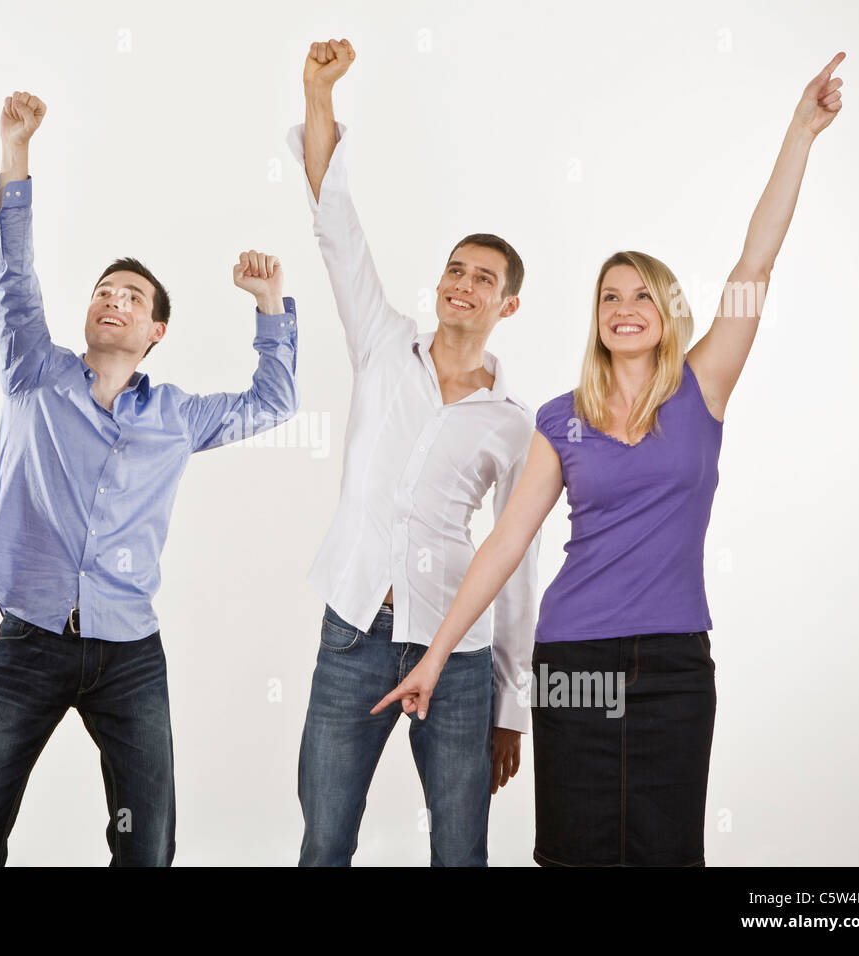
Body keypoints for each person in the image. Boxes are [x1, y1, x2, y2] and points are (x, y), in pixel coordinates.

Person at [373, 54, 848, 866]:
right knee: (574, 852)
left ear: (668, 314)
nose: (624, 310)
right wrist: (437, 653)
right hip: (573, 662)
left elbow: (754, 264)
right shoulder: (561, 418)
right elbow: (506, 544)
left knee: (666, 853)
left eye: (641, 297)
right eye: (609, 297)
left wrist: (800, 133)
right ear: (595, 318)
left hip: (671, 664)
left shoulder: (704, 388)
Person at [0, 91, 300, 867]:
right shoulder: (35, 372)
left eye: (132, 297)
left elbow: (274, 402)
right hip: (31, 639)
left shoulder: (176, 415)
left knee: (148, 848)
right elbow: (14, 274)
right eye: (105, 290)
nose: (114, 300)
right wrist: (15, 153)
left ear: (155, 332)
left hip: (130, 651)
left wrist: (270, 306)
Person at [291, 40, 539, 867]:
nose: (461, 286)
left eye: (482, 279)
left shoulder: (515, 423)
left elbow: (516, 562)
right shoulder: (382, 343)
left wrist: (511, 704)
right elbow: (336, 222)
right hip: (354, 629)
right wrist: (317, 93)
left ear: (508, 304)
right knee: (326, 840)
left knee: (461, 849)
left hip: (459, 655)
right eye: (453, 271)